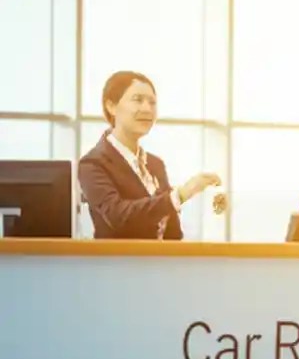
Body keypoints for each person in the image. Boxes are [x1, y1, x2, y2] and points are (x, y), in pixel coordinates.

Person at [79, 71, 222, 240]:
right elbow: (118, 216)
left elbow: (172, 233)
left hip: (160, 264)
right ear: (111, 106)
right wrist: (180, 194)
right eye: (137, 100)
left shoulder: (155, 164)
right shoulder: (93, 163)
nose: (147, 109)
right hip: (119, 264)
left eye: (152, 102)